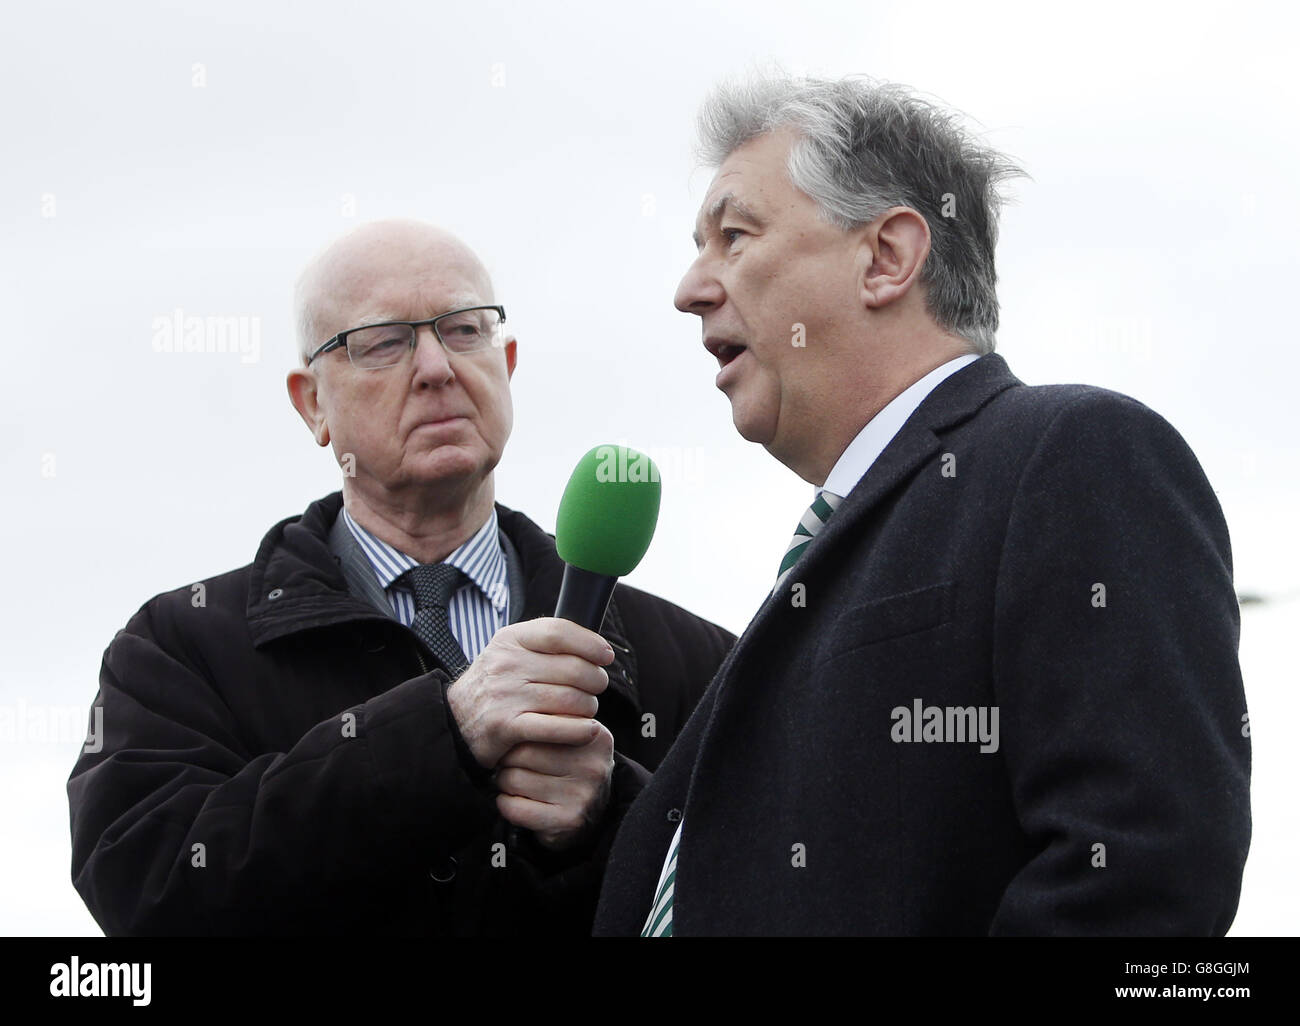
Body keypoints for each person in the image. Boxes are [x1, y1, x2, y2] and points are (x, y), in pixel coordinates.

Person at [594, 75, 1251, 936]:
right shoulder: (834, 540)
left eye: (734, 236)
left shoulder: (1074, 452)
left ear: (888, 259)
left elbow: (1141, 868)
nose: (690, 287)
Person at [67, 219, 734, 936]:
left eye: (464, 331)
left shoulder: (700, 663)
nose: (437, 367)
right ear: (312, 403)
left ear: (507, 363)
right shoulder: (180, 648)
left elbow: (762, 895)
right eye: (385, 341)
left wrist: (606, 821)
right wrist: (441, 732)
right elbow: (148, 890)